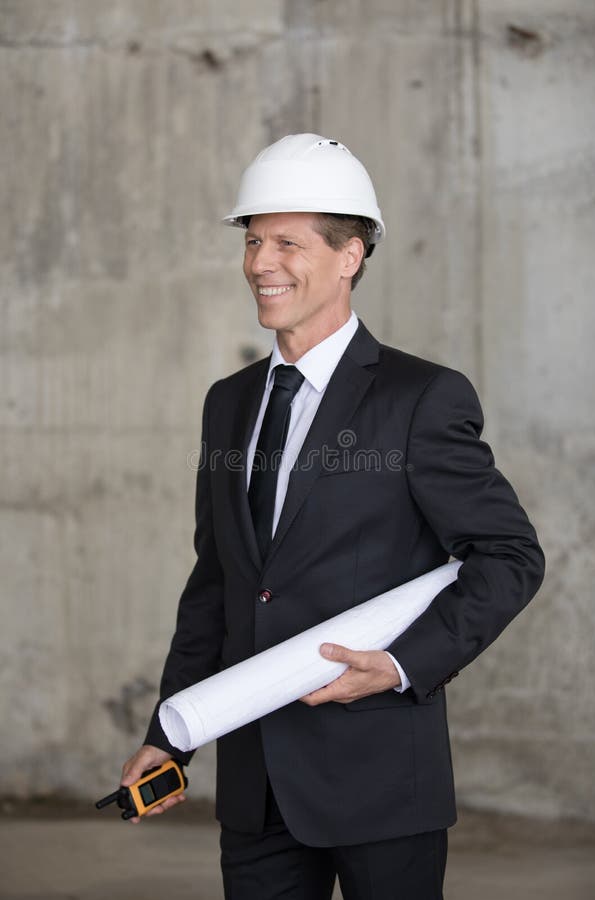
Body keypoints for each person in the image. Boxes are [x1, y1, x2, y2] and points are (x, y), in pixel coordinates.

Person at [121, 134, 544, 899]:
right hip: (256, 793)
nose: (260, 263)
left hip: (380, 781)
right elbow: (218, 582)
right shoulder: (230, 402)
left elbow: (508, 556)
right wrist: (169, 733)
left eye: (287, 241)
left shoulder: (421, 398)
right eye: (253, 240)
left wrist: (403, 664)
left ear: (351, 256)